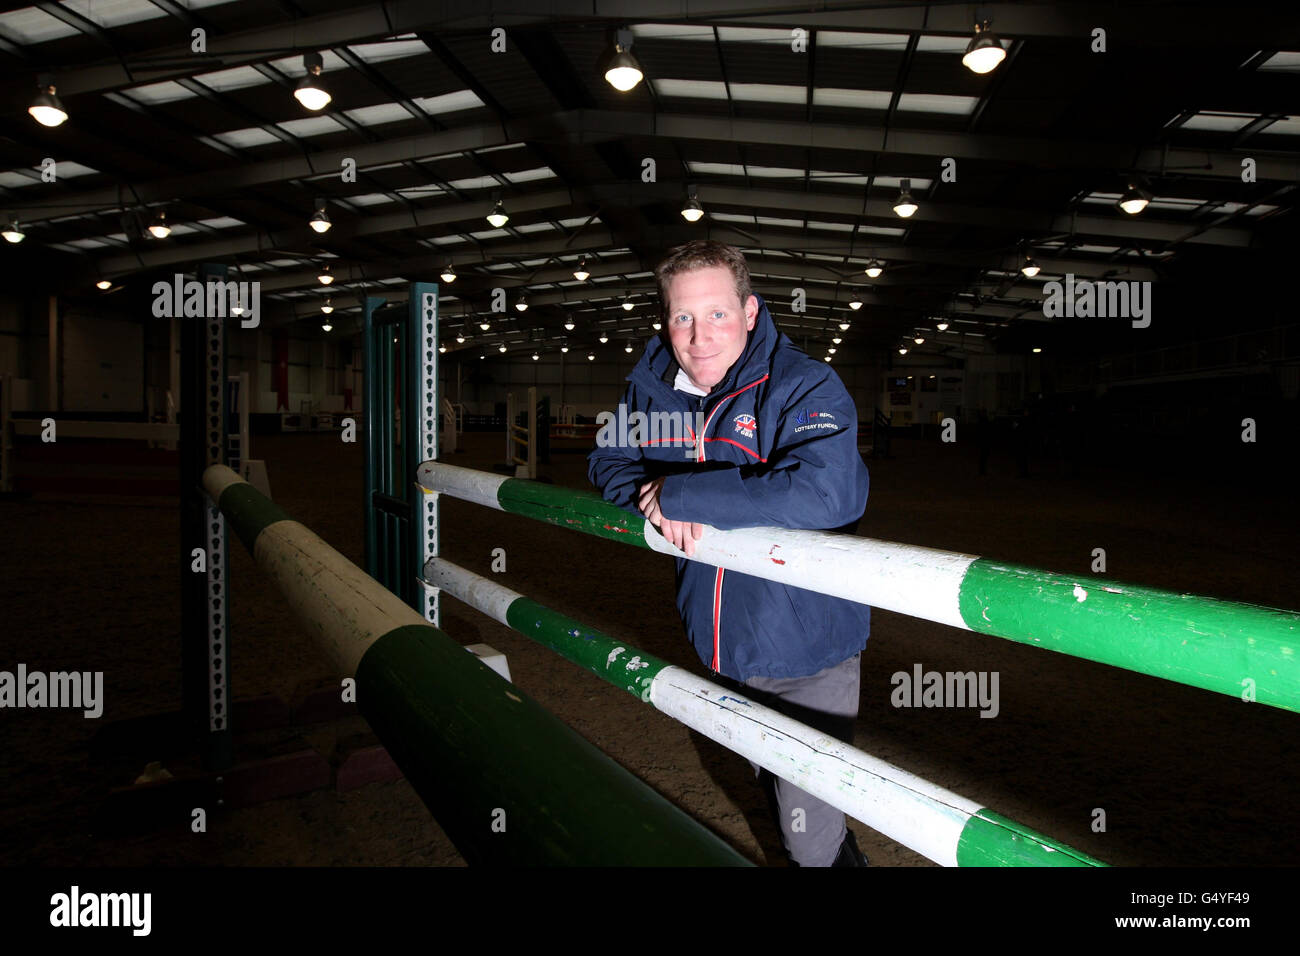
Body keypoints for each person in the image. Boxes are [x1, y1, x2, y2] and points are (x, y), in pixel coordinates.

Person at [587, 240, 871, 867]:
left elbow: (827, 493)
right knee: (777, 795)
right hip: (719, 643)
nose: (699, 335)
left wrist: (687, 494)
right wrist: (649, 497)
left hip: (805, 650)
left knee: (807, 833)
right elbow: (606, 459)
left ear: (749, 311)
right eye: (682, 316)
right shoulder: (656, 389)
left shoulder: (801, 385)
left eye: (716, 314)